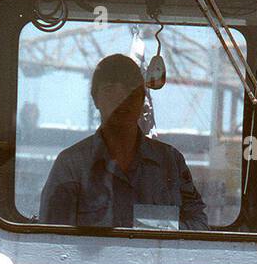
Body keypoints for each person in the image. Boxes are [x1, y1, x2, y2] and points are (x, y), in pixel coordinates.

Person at [38, 53, 206, 229]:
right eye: (110, 90)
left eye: (130, 90)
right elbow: (51, 237)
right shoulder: (70, 165)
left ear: (142, 99)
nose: (121, 99)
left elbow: (199, 226)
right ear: (95, 100)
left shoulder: (171, 162)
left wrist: (160, 232)